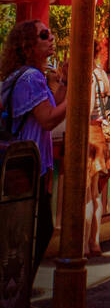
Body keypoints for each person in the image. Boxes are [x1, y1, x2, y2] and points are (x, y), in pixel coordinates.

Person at [0, 20, 67, 289]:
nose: (50, 38)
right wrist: (76, 93)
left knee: (30, 232)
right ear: (28, 45)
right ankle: (17, 298)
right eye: (43, 35)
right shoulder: (30, 77)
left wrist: (64, 82)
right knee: (32, 235)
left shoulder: (27, 75)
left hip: (28, 164)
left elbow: (53, 105)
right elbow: (48, 119)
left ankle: (19, 298)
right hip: (27, 165)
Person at [85, 40, 110, 257]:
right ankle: (95, 241)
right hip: (101, 135)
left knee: (86, 194)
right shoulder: (102, 75)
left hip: (87, 133)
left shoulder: (87, 75)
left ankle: (82, 245)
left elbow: (85, 107)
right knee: (96, 194)